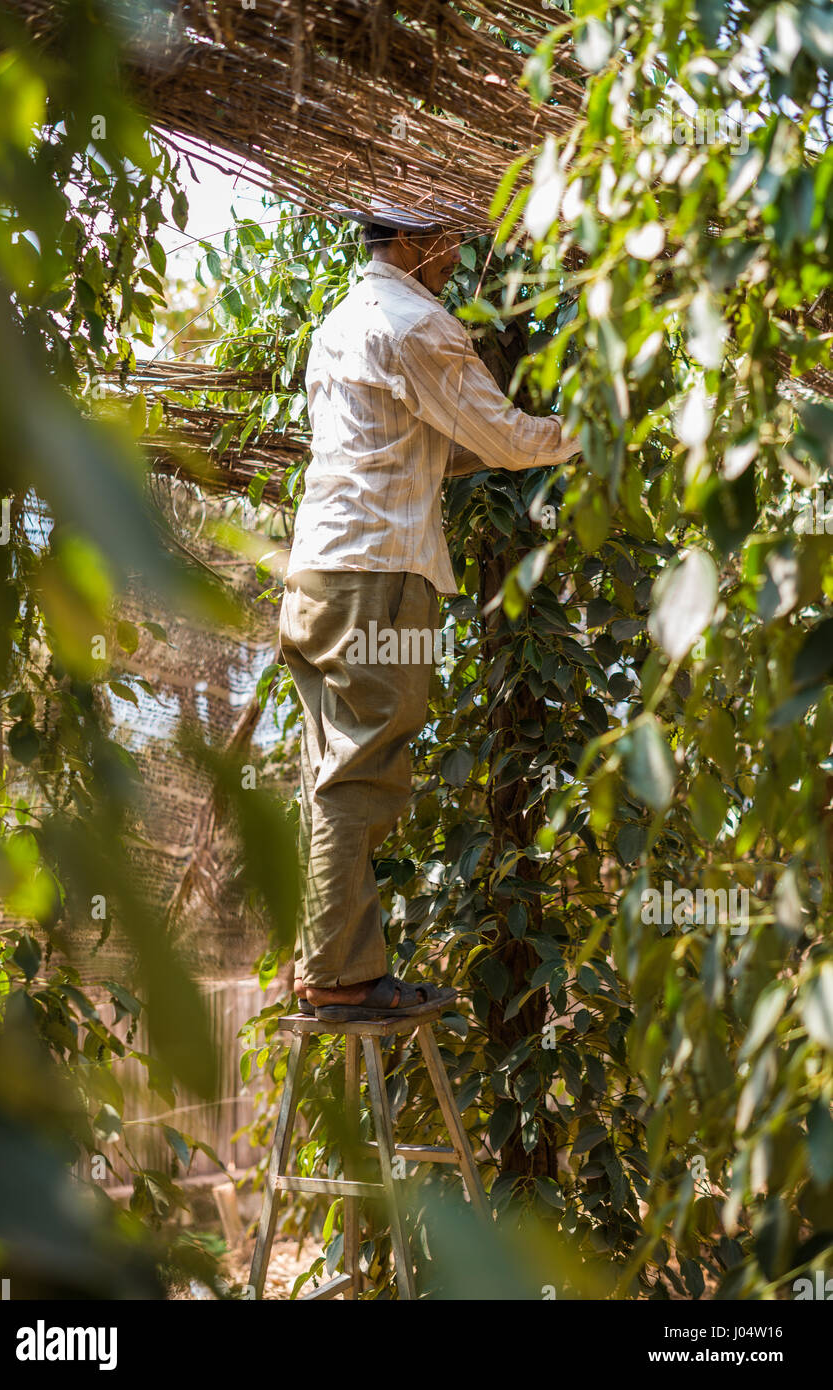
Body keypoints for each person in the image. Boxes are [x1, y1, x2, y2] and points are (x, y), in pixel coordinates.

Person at [283, 199, 581, 1022]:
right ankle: (341, 976)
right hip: (375, 570)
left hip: (317, 571)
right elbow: (510, 444)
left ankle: (322, 960)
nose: (456, 256)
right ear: (411, 242)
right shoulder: (418, 324)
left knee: (328, 768)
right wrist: (588, 428)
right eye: (446, 241)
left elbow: (408, 443)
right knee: (365, 765)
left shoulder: (341, 320)